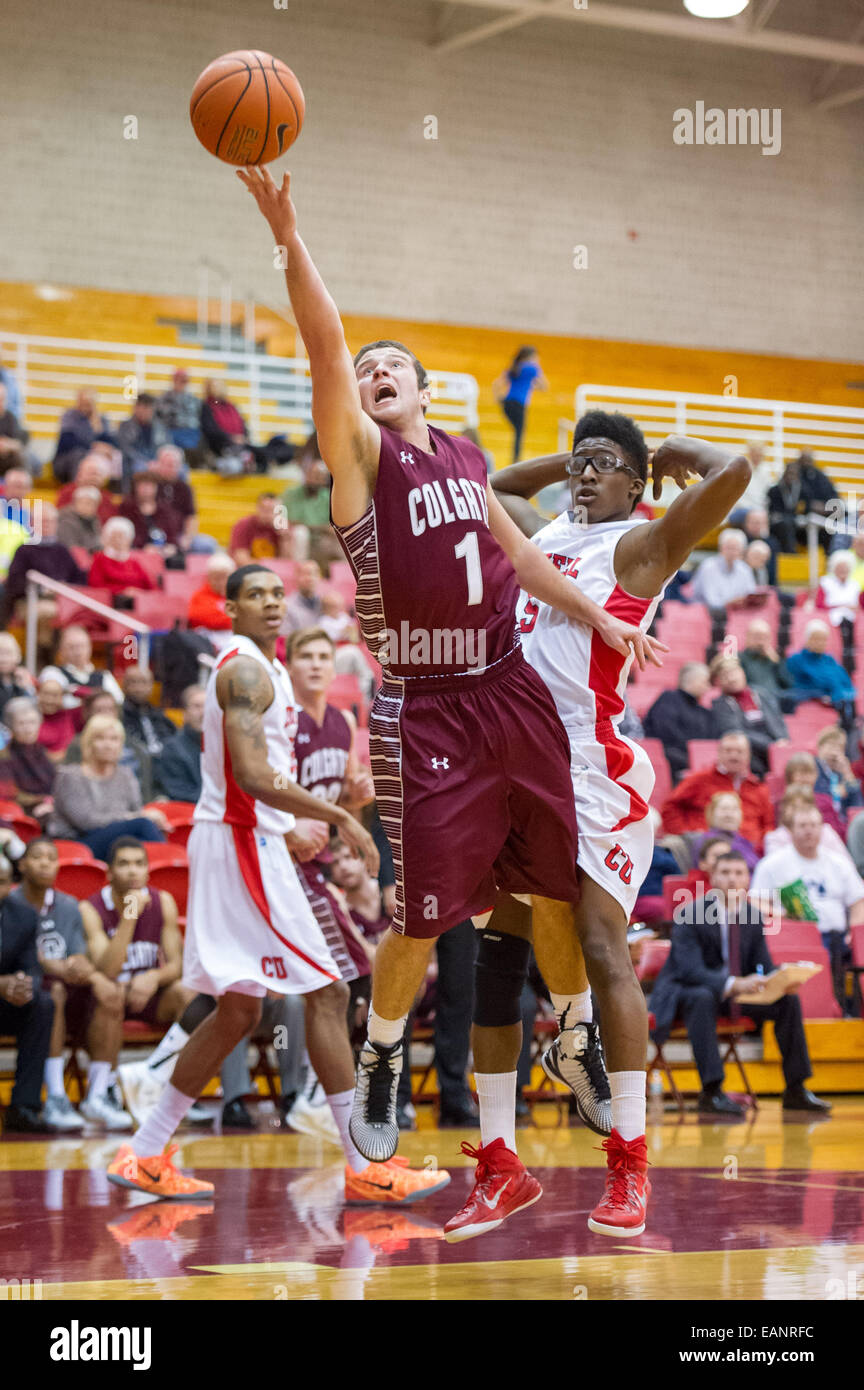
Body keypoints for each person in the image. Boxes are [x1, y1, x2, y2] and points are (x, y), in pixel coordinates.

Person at [238, 166, 663, 1201]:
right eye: (369, 368)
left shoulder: (470, 459)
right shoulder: (361, 460)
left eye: (395, 366)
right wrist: (289, 232)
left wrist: (599, 613)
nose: (375, 372)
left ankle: (573, 1042)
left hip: (510, 689)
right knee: (423, 917)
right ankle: (385, 1051)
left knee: (553, 886)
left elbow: (518, 555)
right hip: (425, 708)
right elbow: (325, 344)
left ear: (426, 389)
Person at [476, 420, 750, 1241]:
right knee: (500, 946)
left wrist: (671, 456)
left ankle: (629, 1163)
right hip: (514, 771)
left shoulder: (639, 546)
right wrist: (581, 453)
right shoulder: (547, 530)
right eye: (579, 464)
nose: (585, 475)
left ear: (637, 485)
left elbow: (736, 473)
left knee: (600, 941)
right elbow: (492, 487)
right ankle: (497, 1161)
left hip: (590, 775)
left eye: (604, 467)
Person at [107, 563, 449, 1206]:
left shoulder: (271, 671)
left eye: (276, 594)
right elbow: (254, 775)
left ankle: (145, 1152)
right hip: (241, 842)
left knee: (241, 1007)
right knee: (329, 991)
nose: (270, 603)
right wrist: (340, 815)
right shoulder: (241, 671)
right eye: (254, 595)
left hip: (246, 840)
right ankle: (365, 1161)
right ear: (230, 609)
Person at [650, 851, 831, 1116]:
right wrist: (734, 984)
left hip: (732, 997)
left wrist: (782, 979)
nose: (732, 879)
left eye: (738, 873)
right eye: (725, 873)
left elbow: (764, 967)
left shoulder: (752, 916)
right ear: (712, 878)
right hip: (686, 992)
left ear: (747, 879)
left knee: (787, 1001)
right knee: (702, 996)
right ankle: (711, 1092)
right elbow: (690, 971)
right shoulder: (690, 913)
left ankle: (796, 1088)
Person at [79, 837, 192, 1126]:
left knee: (188, 995)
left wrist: (154, 976)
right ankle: (99, 1094)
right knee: (110, 992)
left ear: (147, 871)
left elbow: (178, 964)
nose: (132, 872)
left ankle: (173, 1091)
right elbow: (108, 970)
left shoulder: (162, 901)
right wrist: (130, 916)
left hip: (148, 995)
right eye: (124, 864)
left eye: (139, 864)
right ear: (109, 872)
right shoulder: (90, 909)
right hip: (102, 1002)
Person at [13, 837, 120, 1132]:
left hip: (102, 991)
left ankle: (99, 1096)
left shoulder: (72, 905)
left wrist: (83, 967)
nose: (46, 863)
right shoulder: (10, 904)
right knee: (55, 992)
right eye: (38, 857)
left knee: (111, 993)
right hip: (29, 996)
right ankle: (56, 1098)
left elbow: (84, 958)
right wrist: (54, 965)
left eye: (52, 857)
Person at [751, 804, 864, 1016]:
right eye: (802, 825)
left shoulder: (838, 862)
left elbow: (859, 901)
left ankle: (845, 1014)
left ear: (822, 828)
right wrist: (782, 915)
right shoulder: (773, 863)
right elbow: (755, 901)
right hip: (793, 937)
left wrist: (854, 932)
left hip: (836, 936)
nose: (809, 830)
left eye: (814, 825)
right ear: (790, 830)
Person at [48, 714, 169, 857]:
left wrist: (133, 817)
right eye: (100, 738)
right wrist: (132, 817)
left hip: (117, 839)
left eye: (114, 739)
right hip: (77, 843)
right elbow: (86, 822)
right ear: (89, 743)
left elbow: (135, 809)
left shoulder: (125, 774)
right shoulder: (71, 776)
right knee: (143, 824)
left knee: (139, 843)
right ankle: (167, 861)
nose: (108, 745)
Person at [0, 877, 56, 1133]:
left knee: (43, 1003)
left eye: (1, 882)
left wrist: (23, 986)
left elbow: (32, 968)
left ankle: (24, 1107)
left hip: (6, 1000)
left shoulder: (22, 914)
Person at [661, 732, 774, 851]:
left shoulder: (759, 788)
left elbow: (768, 825)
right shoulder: (698, 780)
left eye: (740, 752)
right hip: (707, 849)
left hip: (750, 851)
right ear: (719, 753)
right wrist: (687, 836)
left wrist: (760, 848)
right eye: (728, 751)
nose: (734, 756)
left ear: (748, 755)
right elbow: (670, 807)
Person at [0, 503, 86, 640]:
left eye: (51, 521)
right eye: (43, 521)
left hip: (61, 600)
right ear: (33, 523)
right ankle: (43, 657)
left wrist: (65, 587)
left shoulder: (62, 550)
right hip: (29, 601)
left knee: (76, 614)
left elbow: (77, 577)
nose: (47, 525)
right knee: (50, 612)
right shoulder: (24, 549)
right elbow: (14, 583)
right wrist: (42, 588)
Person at [708, 653, 788, 778]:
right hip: (752, 752)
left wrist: (783, 740)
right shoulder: (720, 704)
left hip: (775, 747)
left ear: (743, 672)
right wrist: (771, 746)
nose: (732, 678)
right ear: (719, 682)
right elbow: (736, 732)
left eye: (734, 672)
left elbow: (778, 721)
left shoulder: (761, 694)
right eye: (725, 675)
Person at [642, 662, 716, 781]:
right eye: (705, 681)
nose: (708, 687)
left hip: (692, 757)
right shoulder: (669, 698)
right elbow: (665, 730)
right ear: (691, 680)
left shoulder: (703, 711)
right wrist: (693, 750)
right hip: (669, 754)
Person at [785, 619, 856, 732]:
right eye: (816, 638)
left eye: (823, 639)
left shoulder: (830, 660)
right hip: (810, 705)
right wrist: (818, 695)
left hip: (837, 705)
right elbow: (792, 686)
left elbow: (847, 686)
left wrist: (838, 696)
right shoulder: (796, 660)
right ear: (807, 639)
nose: (820, 642)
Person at [767, 453, 840, 555]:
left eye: (794, 474)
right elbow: (773, 512)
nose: (791, 477)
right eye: (789, 473)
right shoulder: (775, 490)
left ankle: (829, 555)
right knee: (786, 526)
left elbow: (806, 508)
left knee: (825, 528)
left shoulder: (804, 490)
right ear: (784, 474)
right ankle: (791, 556)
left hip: (800, 524)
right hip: (783, 524)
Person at [688, 528, 755, 635]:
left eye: (736, 548)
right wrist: (732, 602)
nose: (732, 552)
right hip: (706, 616)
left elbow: (751, 595)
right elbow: (713, 603)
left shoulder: (745, 569)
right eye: (729, 548)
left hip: (736, 615)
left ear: (742, 551)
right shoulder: (708, 567)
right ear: (721, 548)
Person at [151, 445, 215, 553]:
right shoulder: (149, 484)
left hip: (178, 535)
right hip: (154, 534)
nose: (170, 468)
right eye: (166, 464)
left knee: (207, 544)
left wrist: (187, 537)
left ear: (180, 466)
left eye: (173, 465)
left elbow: (191, 516)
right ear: (158, 464)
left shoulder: (185, 488)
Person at [2, 697, 57, 822]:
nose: (28, 729)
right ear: (11, 727)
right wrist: (43, 800)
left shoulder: (41, 751)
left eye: (32, 722)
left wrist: (52, 801)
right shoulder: (5, 756)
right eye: (21, 723)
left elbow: (56, 782)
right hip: (23, 814)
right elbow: (10, 794)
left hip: (52, 806)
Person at [41, 625, 124, 706]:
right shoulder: (52, 673)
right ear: (61, 650)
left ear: (90, 647)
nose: (78, 652)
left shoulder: (104, 675)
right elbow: (59, 703)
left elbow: (118, 701)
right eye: (72, 647)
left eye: (82, 646)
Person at [493, 347, 548, 463]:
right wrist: (533, 384)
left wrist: (498, 399)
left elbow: (496, 384)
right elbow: (545, 386)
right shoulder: (532, 368)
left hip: (507, 404)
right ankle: (516, 461)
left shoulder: (515, 366)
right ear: (530, 357)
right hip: (519, 405)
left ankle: (515, 459)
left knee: (517, 431)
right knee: (519, 433)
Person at [153, 685, 205, 804]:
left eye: (208, 707)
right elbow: (179, 792)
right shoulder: (172, 748)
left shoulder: (223, 746)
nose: (203, 712)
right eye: (197, 706)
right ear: (185, 713)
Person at [53, 389, 117, 485]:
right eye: (83, 402)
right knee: (80, 455)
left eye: (89, 403)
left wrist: (98, 428)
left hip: (96, 458)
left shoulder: (101, 419)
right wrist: (93, 447)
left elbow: (109, 442)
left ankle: (112, 493)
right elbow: (67, 442)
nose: (85, 406)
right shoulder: (69, 416)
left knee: (116, 456)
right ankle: (78, 489)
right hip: (66, 461)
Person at [815, 549, 859, 675]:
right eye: (839, 568)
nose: (842, 571)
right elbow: (819, 605)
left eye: (845, 568)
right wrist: (841, 606)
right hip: (830, 620)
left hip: (852, 620)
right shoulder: (825, 582)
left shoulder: (854, 585)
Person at [118, 470, 184, 553]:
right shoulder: (127, 507)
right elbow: (124, 533)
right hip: (134, 551)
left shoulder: (164, 509)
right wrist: (143, 548)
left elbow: (172, 536)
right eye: (142, 485)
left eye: (150, 486)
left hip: (162, 551)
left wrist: (167, 548)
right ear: (135, 487)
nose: (146, 490)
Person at [739, 618, 797, 711]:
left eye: (765, 637)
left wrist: (777, 662)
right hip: (756, 702)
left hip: (778, 701)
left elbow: (789, 683)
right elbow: (742, 687)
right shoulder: (740, 658)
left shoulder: (774, 658)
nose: (761, 641)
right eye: (757, 637)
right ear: (748, 637)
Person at [87, 516, 155, 594]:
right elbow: (96, 586)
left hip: (139, 600)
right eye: (115, 537)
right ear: (107, 538)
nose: (118, 540)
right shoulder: (99, 559)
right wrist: (123, 591)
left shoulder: (134, 562)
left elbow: (150, 588)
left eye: (123, 537)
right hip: (113, 601)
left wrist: (138, 592)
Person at [692, 792, 759, 870]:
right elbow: (699, 879)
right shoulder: (705, 842)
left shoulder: (745, 842)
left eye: (734, 809)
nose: (729, 815)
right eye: (724, 809)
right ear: (711, 813)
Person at [115, 394, 170, 487]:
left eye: (146, 407)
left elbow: (167, 447)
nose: (142, 411)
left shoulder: (160, 427)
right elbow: (125, 448)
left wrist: (158, 462)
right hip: (134, 462)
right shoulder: (125, 426)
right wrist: (145, 462)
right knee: (138, 467)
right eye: (139, 406)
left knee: (180, 469)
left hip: (157, 461)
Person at [814, 726, 863, 826]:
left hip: (843, 823)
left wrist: (848, 774)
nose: (835, 751)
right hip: (822, 821)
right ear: (820, 747)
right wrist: (834, 792)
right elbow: (819, 798)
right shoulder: (814, 766)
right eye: (831, 745)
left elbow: (857, 807)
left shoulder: (840, 773)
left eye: (839, 748)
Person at [55, 452, 119, 526]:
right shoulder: (67, 492)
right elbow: (61, 518)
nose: (93, 478)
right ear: (80, 474)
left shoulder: (106, 497)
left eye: (97, 474)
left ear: (103, 479)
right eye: (90, 473)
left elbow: (110, 522)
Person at [229, 492, 293, 566]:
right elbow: (241, 559)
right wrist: (266, 565)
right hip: (250, 567)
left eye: (271, 509)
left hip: (273, 568)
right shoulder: (244, 524)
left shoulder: (283, 527)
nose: (267, 513)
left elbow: (287, 562)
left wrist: (284, 538)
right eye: (264, 509)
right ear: (257, 508)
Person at [188, 551, 235, 650]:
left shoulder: (237, 594)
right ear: (209, 578)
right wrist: (234, 620)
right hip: (210, 644)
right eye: (217, 578)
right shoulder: (200, 595)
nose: (222, 582)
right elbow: (201, 618)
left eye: (225, 577)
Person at [156, 370, 202, 457]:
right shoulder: (163, 398)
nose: (182, 383)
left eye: (184, 381)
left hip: (191, 434)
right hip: (171, 432)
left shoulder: (194, 400)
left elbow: (199, 419)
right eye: (179, 380)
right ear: (174, 381)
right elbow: (158, 419)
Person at [35, 677, 77, 760]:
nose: (49, 700)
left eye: (55, 695)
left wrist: (70, 690)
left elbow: (94, 696)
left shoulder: (69, 715)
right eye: (45, 694)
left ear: (62, 697)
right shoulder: (29, 716)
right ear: (38, 694)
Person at [281, 559, 324, 635]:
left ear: (319, 578)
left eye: (314, 574)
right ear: (296, 578)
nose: (310, 578)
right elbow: (286, 639)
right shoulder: (286, 605)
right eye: (305, 574)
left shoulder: (325, 603)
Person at [56, 485, 103, 554]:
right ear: (76, 502)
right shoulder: (65, 520)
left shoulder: (94, 519)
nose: (92, 507)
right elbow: (71, 547)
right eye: (88, 503)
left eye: (95, 504)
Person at [0, 632, 35, 720]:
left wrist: (27, 688)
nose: (3, 659)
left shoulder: (23, 677)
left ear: (17, 656)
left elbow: (32, 707)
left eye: (8, 653)